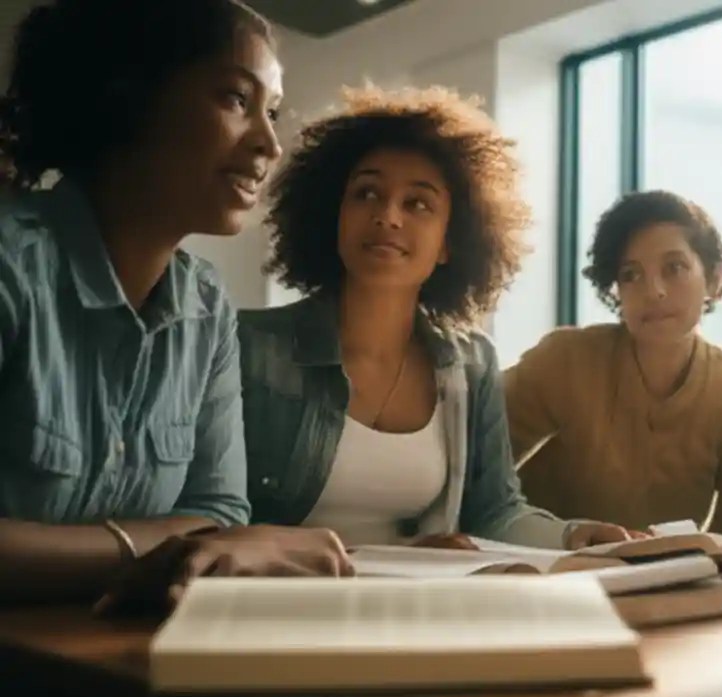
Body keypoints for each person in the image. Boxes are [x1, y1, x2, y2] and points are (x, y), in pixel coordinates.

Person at [0, 0, 348, 607]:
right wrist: (154, 550)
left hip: (118, 666)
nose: (270, 144)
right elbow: (210, 538)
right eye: (237, 100)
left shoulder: (208, 308)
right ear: (127, 95)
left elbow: (217, 510)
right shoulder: (12, 267)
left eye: (272, 112)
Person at [239, 86, 632, 550]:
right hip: (275, 607)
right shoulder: (249, 346)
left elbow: (495, 512)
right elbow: (213, 517)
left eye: (418, 204)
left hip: (417, 609)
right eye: (366, 193)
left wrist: (574, 535)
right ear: (333, 217)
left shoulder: (472, 362)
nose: (387, 216)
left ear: (450, 242)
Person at [503, 190, 722, 537]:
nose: (654, 291)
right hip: (540, 569)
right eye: (631, 274)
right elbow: (472, 469)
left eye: (674, 268)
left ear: (713, 278)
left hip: (669, 579)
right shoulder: (566, 360)